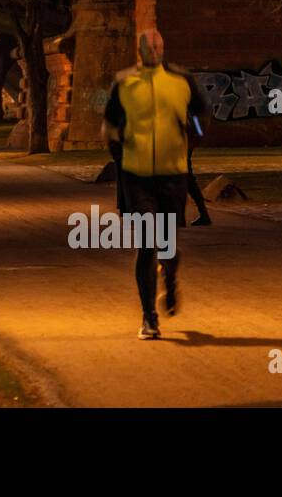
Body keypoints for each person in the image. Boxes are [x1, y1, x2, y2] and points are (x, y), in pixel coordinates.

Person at [102, 28, 208, 340]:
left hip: (172, 175)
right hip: (136, 176)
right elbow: (109, 126)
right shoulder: (124, 83)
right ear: (140, 50)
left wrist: (192, 134)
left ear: (164, 47)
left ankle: (171, 278)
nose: (155, 50)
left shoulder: (181, 80)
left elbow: (201, 115)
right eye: (149, 46)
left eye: (159, 45)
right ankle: (149, 317)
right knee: (147, 244)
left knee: (166, 243)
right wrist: (119, 153)